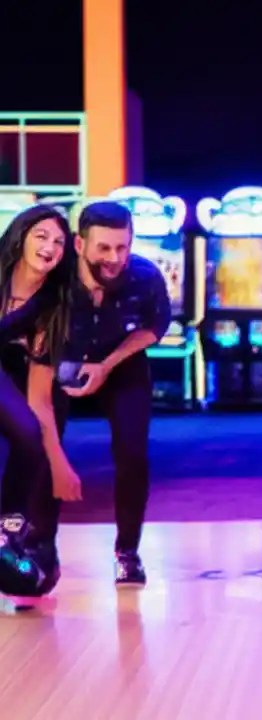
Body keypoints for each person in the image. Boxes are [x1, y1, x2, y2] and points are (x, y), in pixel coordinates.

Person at [56, 201, 171, 586]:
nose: (114, 258)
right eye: (104, 248)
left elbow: (155, 327)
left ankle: (128, 552)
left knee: (133, 453)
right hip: (58, 361)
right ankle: (37, 544)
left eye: (122, 247)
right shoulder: (55, 275)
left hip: (121, 363)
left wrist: (107, 365)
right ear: (79, 244)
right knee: (38, 445)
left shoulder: (145, 276)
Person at [0, 204, 80, 596]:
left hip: (11, 384)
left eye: (59, 242)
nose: (50, 246)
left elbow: (39, 396)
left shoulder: (50, 309)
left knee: (31, 436)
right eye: (41, 236)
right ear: (20, 236)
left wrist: (59, 461)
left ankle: (10, 529)